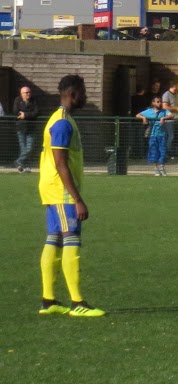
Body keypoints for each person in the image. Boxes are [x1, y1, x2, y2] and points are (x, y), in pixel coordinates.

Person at [37, 74, 105, 317]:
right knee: (71, 239)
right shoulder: (63, 124)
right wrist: (77, 199)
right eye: (83, 92)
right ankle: (77, 303)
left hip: (52, 189)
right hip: (62, 192)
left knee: (53, 239)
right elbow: (60, 163)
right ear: (73, 93)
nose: (85, 96)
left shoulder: (60, 119)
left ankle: (48, 301)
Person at [137, 97, 170, 176]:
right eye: (158, 102)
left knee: (163, 150)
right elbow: (138, 115)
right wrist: (143, 118)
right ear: (153, 103)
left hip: (162, 134)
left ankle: (162, 167)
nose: (160, 103)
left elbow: (171, 115)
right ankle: (156, 169)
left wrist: (163, 118)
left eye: (160, 102)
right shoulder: (149, 111)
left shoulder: (164, 111)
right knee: (153, 151)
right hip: (153, 135)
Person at [14, 84, 40, 173]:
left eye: (29, 92)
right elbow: (16, 112)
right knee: (23, 148)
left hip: (31, 128)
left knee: (29, 148)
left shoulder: (34, 100)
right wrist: (29, 114)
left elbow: (36, 112)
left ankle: (19, 162)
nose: (28, 94)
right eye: (26, 92)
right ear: (22, 93)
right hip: (20, 128)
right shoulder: (17, 100)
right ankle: (24, 165)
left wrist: (25, 115)